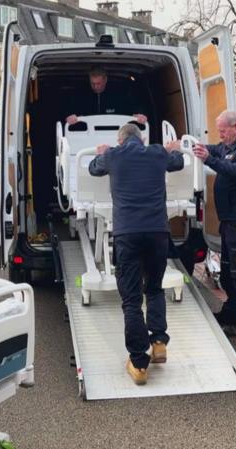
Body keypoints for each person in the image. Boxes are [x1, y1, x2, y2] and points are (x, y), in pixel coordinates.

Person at [88, 123, 183, 385]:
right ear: (141, 139)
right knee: (153, 288)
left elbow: (93, 168)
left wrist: (101, 152)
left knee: (131, 300)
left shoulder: (114, 155)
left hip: (127, 234)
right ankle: (159, 341)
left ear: (121, 140)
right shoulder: (156, 153)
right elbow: (178, 162)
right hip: (157, 232)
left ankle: (139, 364)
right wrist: (172, 149)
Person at [192, 110, 236, 338]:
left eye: (223, 131)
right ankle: (232, 311)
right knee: (228, 273)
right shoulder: (228, 147)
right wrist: (194, 146)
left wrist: (209, 160)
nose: (220, 135)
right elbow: (214, 149)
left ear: (235, 127)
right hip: (230, 222)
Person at [65, 66, 147, 126]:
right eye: (92, 83)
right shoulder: (80, 96)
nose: (96, 87)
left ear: (105, 80)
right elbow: (69, 113)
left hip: (114, 136)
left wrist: (139, 115)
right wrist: (70, 117)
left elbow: (130, 110)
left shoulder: (118, 95)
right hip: (86, 136)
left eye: (98, 83)